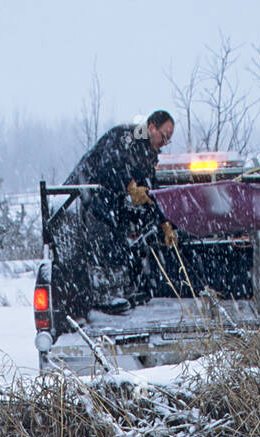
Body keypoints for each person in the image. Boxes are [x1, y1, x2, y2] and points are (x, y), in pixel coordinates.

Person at [59, 110, 178, 314]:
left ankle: (120, 290)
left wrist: (165, 222)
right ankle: (102, 295)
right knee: (100, 243)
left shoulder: (148, 155)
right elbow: (112, 163)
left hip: (110, 202)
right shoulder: (127, 135)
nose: (165, 143)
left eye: (169, 140)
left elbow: (152, 190)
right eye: (164, 136)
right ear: (151, 128)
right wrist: (130, 186)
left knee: (121, 242)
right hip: (83, 196)